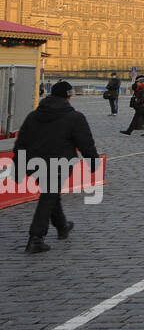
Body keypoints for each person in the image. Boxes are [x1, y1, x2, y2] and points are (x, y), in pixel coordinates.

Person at [14, 80, 100, 254]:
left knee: (50, 194)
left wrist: (18, 165)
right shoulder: (75, 117)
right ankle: (36, 238)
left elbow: (21, 142)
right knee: (48, 197)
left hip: (34, 163)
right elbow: (86, 143)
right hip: (60, 163)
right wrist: (93, 162)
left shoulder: (33, 115)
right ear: (68, 97)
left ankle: (62, 226)